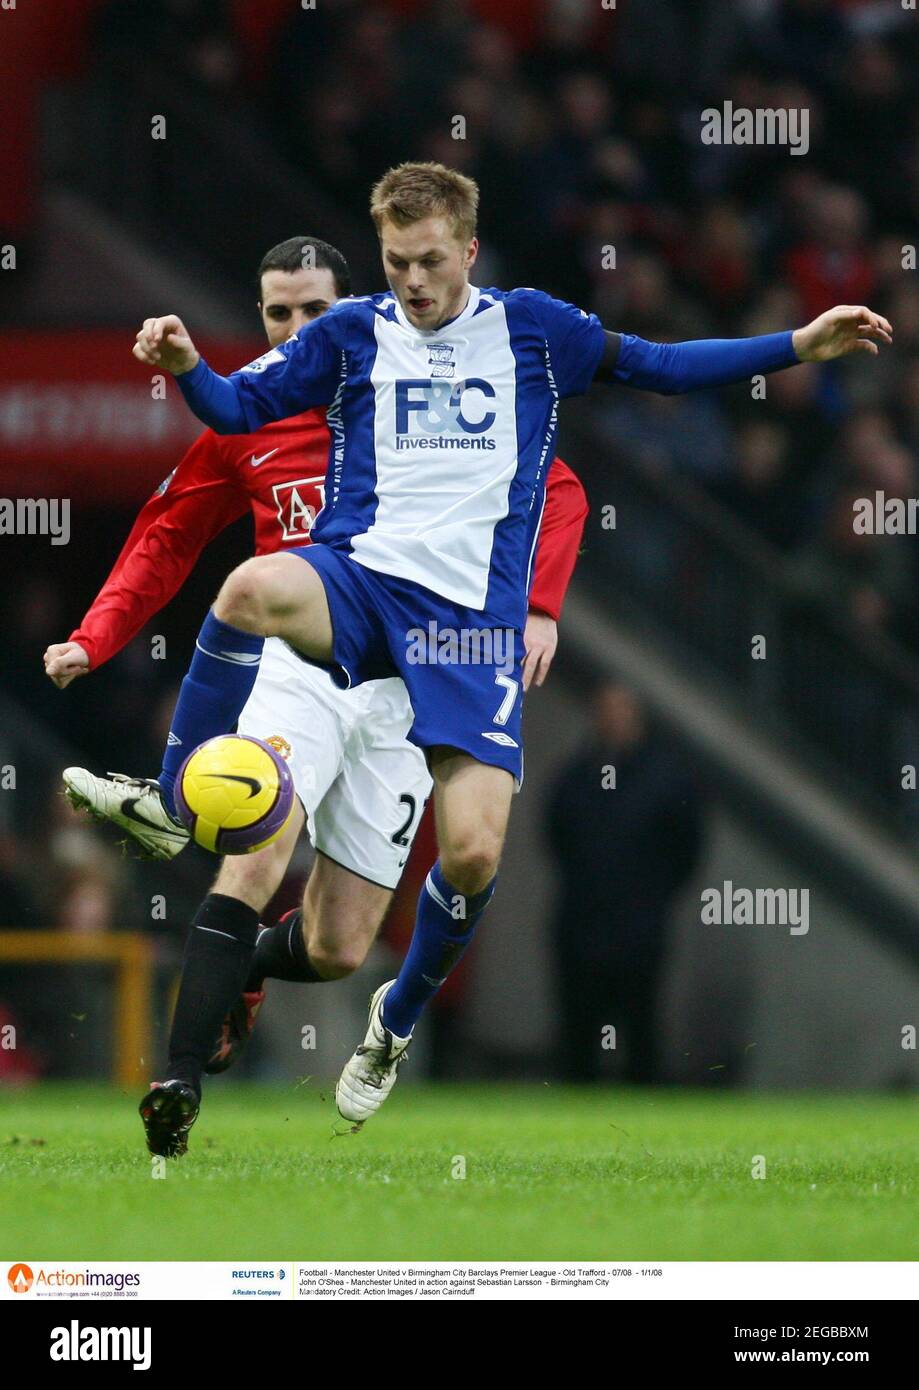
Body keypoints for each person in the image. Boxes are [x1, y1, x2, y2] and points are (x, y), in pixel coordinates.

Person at [128, 159, 892, 1137]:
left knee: (475, 854)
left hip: (467, 629)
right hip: (359, 582)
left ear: (469, 250)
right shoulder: (351, 331)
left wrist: (794, 344)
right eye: (397, 261)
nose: (412, 281)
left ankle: (392, 1020)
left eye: (430, 261)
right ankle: (172, 810)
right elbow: (238, 409)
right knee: (249, 587)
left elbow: (659, 365)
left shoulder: (534, 328)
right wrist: (188, 365)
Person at [45, 232, 589, 1155]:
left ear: (355, 311)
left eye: (311, 312)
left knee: (339, 949)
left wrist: (539, 608)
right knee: (252, 847)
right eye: (275, 313)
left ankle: (244, 968)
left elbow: (559, 489)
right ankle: (175, 1086)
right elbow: (166, 534)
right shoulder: (248, 413)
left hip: (411, 689)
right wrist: (94, 638)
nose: (292, 329)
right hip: (297, 668)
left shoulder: (418, 392)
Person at [545, 682, 704, 1084]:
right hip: (582, 924)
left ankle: (643, 1115)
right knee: (579, 1029)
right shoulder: (576, 776)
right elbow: (556, 837)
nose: (613, 721)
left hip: (640, 926)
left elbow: (687, 848)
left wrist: (653, 897)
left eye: (621, 712)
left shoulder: (666, 780)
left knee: (641, 1027)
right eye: (605, 712)